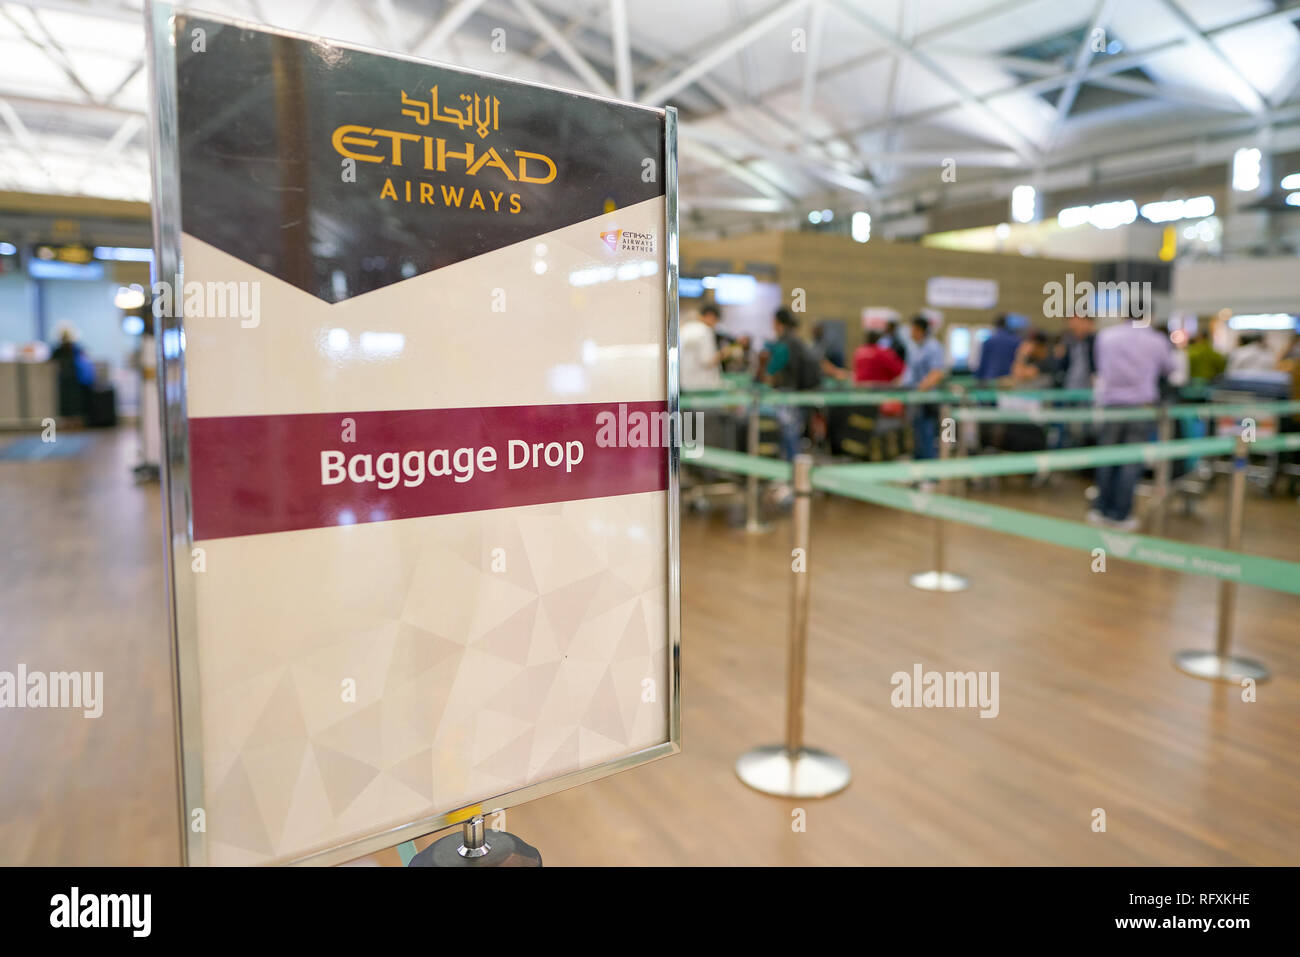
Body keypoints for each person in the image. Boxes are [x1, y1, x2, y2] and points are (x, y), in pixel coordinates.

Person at [1090, 317, 1177, 530]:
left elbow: (1099, 366)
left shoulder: (1106, 336)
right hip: (1141, 406)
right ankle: (1120, 514)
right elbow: (1169, 368)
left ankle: (1101, 509)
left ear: (1123, 315)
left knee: (1107, 456)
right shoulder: (1156, 340)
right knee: (1131, 461)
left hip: (1111, 405)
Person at [903, 315, 946, 460]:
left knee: (928, 434)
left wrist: (920, 388)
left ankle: (930, 475)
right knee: (917, 435)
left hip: (929, 399)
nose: (910, 333)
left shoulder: (933, 347)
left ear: (920, 330)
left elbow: (937, 373)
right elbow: (910, 373)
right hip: (917, 399)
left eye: (913, 329)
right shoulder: (915, 347)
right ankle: (917, 471)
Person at [679, 304, 722, 391]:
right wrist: (723, 354)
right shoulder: (705, 331)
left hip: (686, 383)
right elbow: (707, 361)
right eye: (716, 320)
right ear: (710, 316)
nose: (715, 324)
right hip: (703, 385)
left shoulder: (686, 328)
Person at [976, 314, 1020, 382]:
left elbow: (983, 362)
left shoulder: (989, 341)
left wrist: (978, 378)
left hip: (991, 378)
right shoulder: (1016, 341)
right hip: (1008, 379)